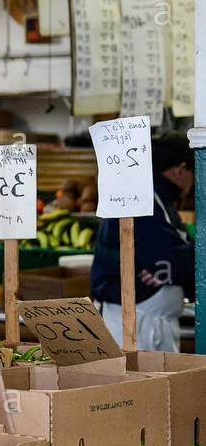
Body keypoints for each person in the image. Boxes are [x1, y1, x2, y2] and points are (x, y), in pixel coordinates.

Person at [90, 132, 195, 351]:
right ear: (180, 169)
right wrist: (173, 265)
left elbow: (164, 263)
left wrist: (170, 265)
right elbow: (164, 260)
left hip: (147, 322)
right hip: (135, 324)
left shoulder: (158, 200)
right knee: (136, 381)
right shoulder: (143, 203)